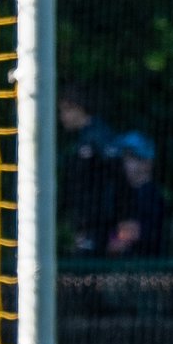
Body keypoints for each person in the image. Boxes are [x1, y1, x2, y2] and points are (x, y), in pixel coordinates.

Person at [60, 90, 120, 255]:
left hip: (100, 221)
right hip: (86, 220)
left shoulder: (99, 136)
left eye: (66, 110)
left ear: (80, 108)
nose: (62, 117)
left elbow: (114, 176)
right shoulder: (80, 138)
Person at [106, 131, 166, 258]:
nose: (126, 164)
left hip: (146, 269)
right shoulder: (125, 194)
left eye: (132, 158)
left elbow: (129, 234)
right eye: (125, 158)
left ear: (147, 163)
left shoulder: (152, 195)